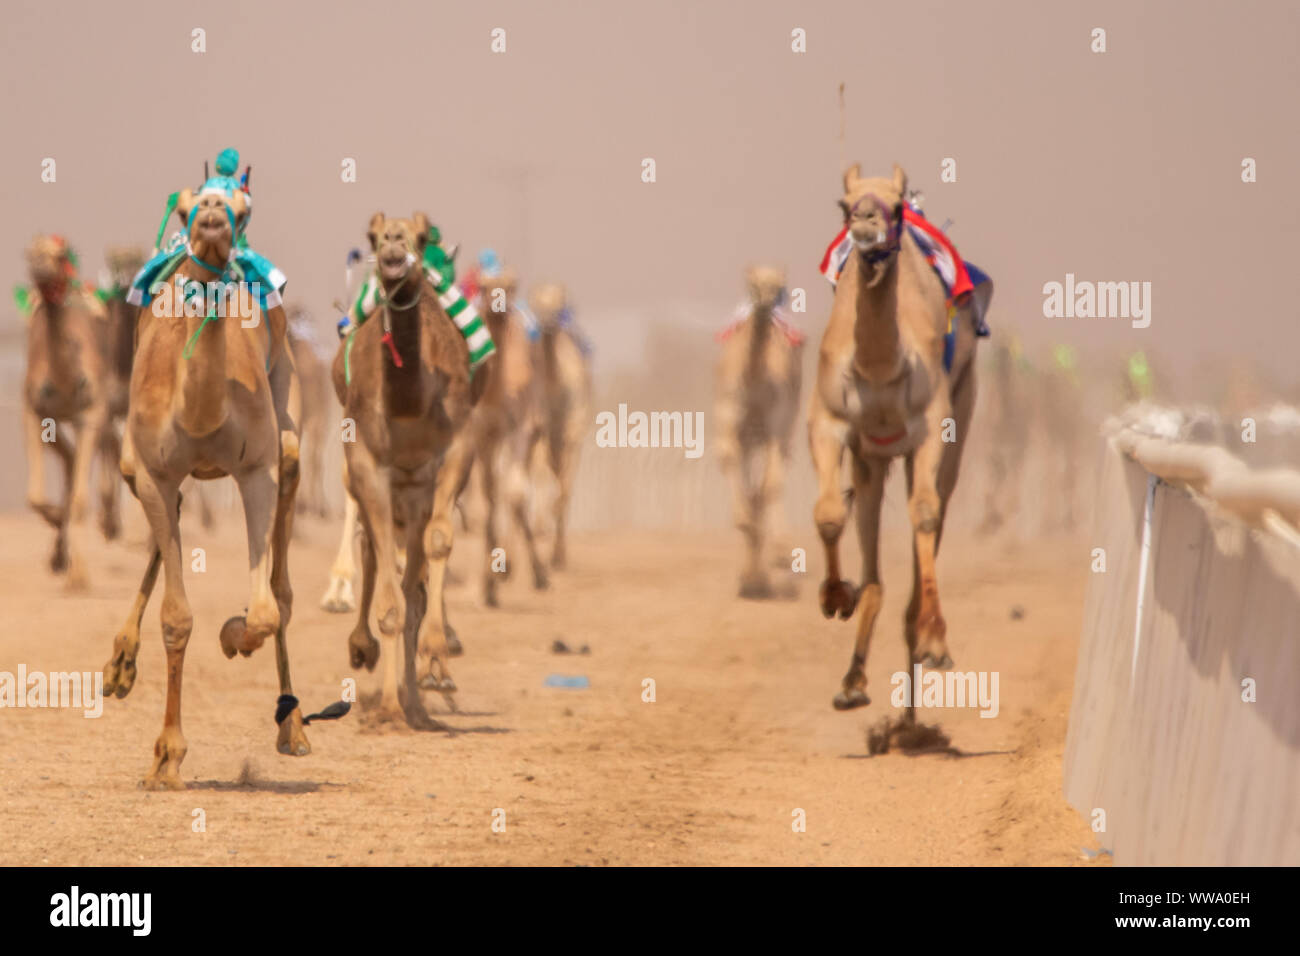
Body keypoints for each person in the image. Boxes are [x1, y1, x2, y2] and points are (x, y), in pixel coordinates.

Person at [340, 224, 495, 371]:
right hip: (431, 295)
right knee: (467, 319)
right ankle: (476, 350)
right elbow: (451, 279)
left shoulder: (483, 279)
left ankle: (351, 325)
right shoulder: (468, 272)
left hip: (433, 295)